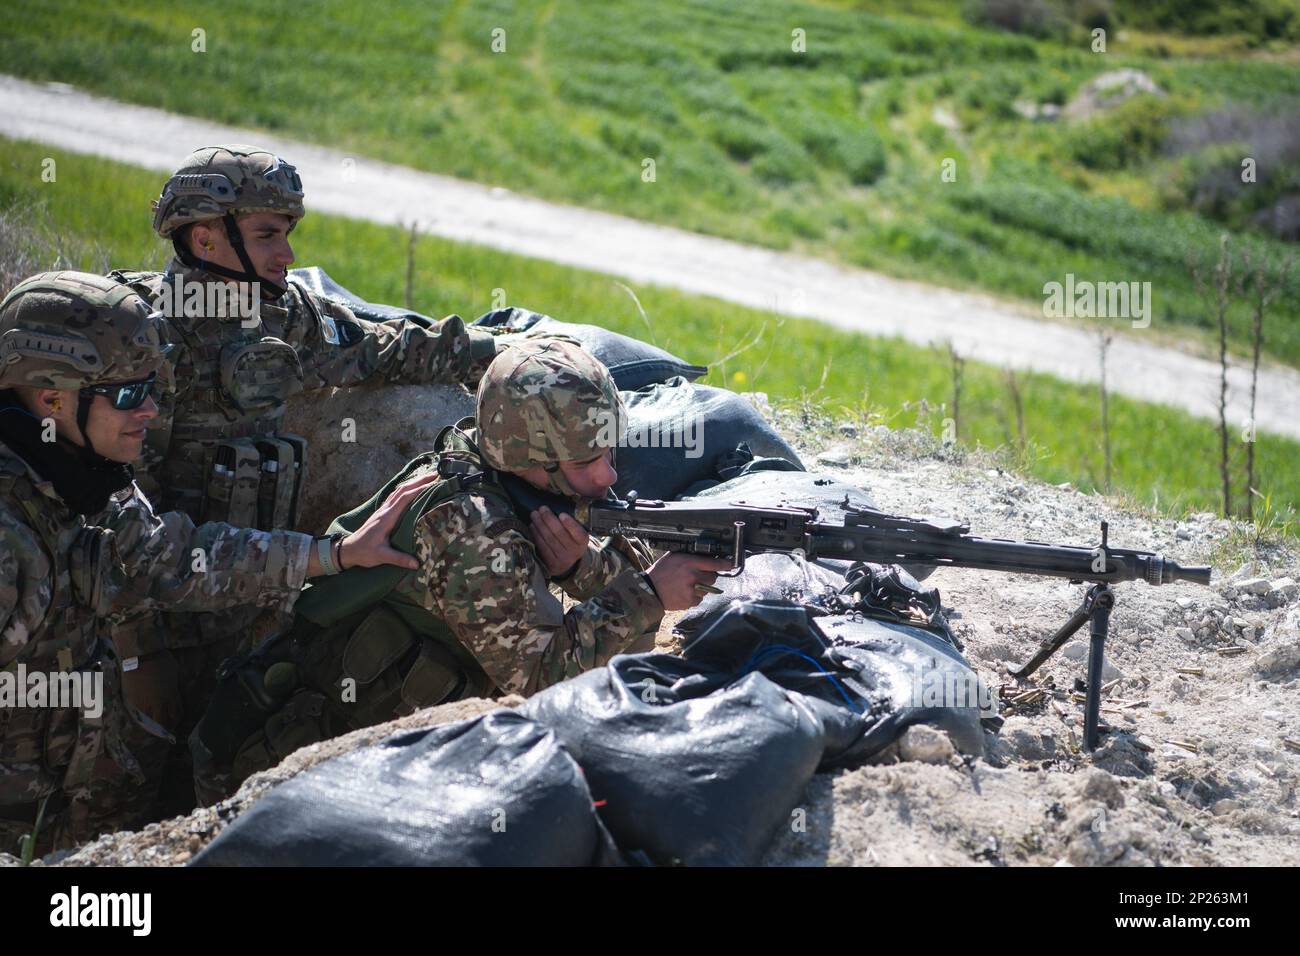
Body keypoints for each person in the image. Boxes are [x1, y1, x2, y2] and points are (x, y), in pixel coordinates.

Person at [105, 144, 502, 796]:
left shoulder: (280, 316)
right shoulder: (146, 345)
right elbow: (136, 547)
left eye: (288, 235)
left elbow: (379, 350)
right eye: (267, 236)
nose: (287, 256)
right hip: (150, 624)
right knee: (134, 797)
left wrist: (497, 354)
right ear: (205, 238)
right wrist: (324, 557)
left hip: (243, 606)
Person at [0, 271, 433, 852]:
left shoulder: (83, 476)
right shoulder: (12, 535)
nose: (151, 409)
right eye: (130, 393)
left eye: (153, 385)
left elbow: (176, 558)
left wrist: (333, 555)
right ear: (52, 399)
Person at [191, 339, 728, 802]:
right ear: (528, 457)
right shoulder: (469, 523)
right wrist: (649, 595)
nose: (608, 472)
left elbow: (582, 580)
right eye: (587, 461)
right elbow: (540, 679)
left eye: (607, 450)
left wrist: (581, 568)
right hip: (293, 768)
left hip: (373, 752)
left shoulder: (508, 480)